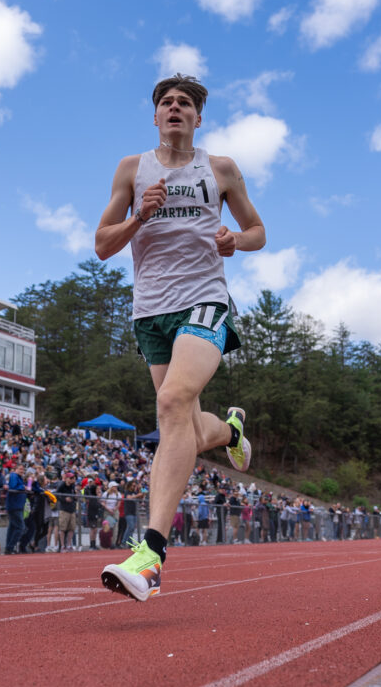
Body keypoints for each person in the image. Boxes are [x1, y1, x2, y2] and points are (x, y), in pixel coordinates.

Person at [96, 73, 265, 601]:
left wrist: (233, 240)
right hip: (151, 313)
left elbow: (258, 231)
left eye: (184, 103)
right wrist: (139, 216)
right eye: (166, 102)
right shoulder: (131, 169)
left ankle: (150, 555)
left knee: (170, 403)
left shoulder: (221, 169)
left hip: (204, 300)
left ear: (197, 118)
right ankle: (231, 432)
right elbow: (102, 244)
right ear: (154, 116)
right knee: (187, 426)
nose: (175, 108)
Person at [4, 463, 26, 554]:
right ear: (15, 469)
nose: (22, 471)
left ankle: (8, 548)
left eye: (23, 470)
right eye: (20, 469)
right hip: (14, 505)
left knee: (13, 527)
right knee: (20, 527)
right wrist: (23, 487)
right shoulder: (14, 476)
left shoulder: (19, 477)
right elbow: (13, 487)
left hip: (18, 505)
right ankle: (10, 546)